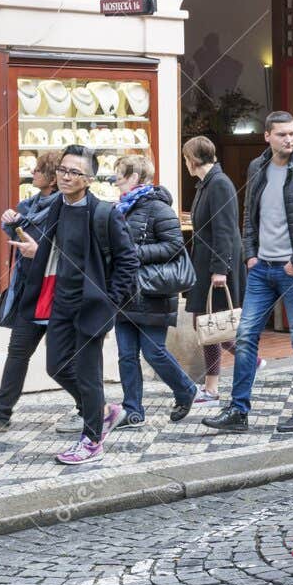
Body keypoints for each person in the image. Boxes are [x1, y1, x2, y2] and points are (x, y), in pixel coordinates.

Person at [204, 112, 293, 434]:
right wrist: (250, 255)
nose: (289, 139)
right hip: (262, 269)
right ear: (268, 136)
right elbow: (250, 214)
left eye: (292, 134)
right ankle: (238, 411)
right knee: (247, 337)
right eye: (282, 134)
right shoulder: (257, 167)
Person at [10, 144, 139, 464]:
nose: (65, 177)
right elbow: (54, 250)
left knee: (87, 374)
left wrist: (110, 300)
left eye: (74, 172)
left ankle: (92, 440)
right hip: (59, 303)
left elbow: (128, 260)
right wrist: (34, 253)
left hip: (92, 305)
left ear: (89, 178)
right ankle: (104, 412)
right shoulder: (56, 206)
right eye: (62, 170)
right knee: (56, 366)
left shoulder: (103, 213)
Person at [0, 149, 64, 430]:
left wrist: (37, 246)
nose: (33, 173)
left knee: (64, 360)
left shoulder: (64, 207)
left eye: (39, 169)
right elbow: (18, 237)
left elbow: (60, 244)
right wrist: (11, 223)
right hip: (27, 289)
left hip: (55, 290)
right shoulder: (29, 204)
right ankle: (1, 412)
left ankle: (92, 410)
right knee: (18, 351)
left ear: (52, 178)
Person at [112, 154, 200, 427]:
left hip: (152, 292)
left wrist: (133, 253)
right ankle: (133, 410)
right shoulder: (120, 208)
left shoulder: (159, 209)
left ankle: (185, 389)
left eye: (120, 176)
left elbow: (174, 246)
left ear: (135, 178)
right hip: (124, 290)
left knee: (153, 351)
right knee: (126, 355)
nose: (116, 182)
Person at [183, 135, 243, 401]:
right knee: (206, 324)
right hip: (205, 265)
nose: (185, 164)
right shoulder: (205, 184)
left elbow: (225, 230)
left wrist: (221, 269)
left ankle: (247, 358)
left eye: (186, 159)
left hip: (216, 268)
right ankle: (212, 387)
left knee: (212, 325)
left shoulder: (218, 184)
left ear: (193, 160)